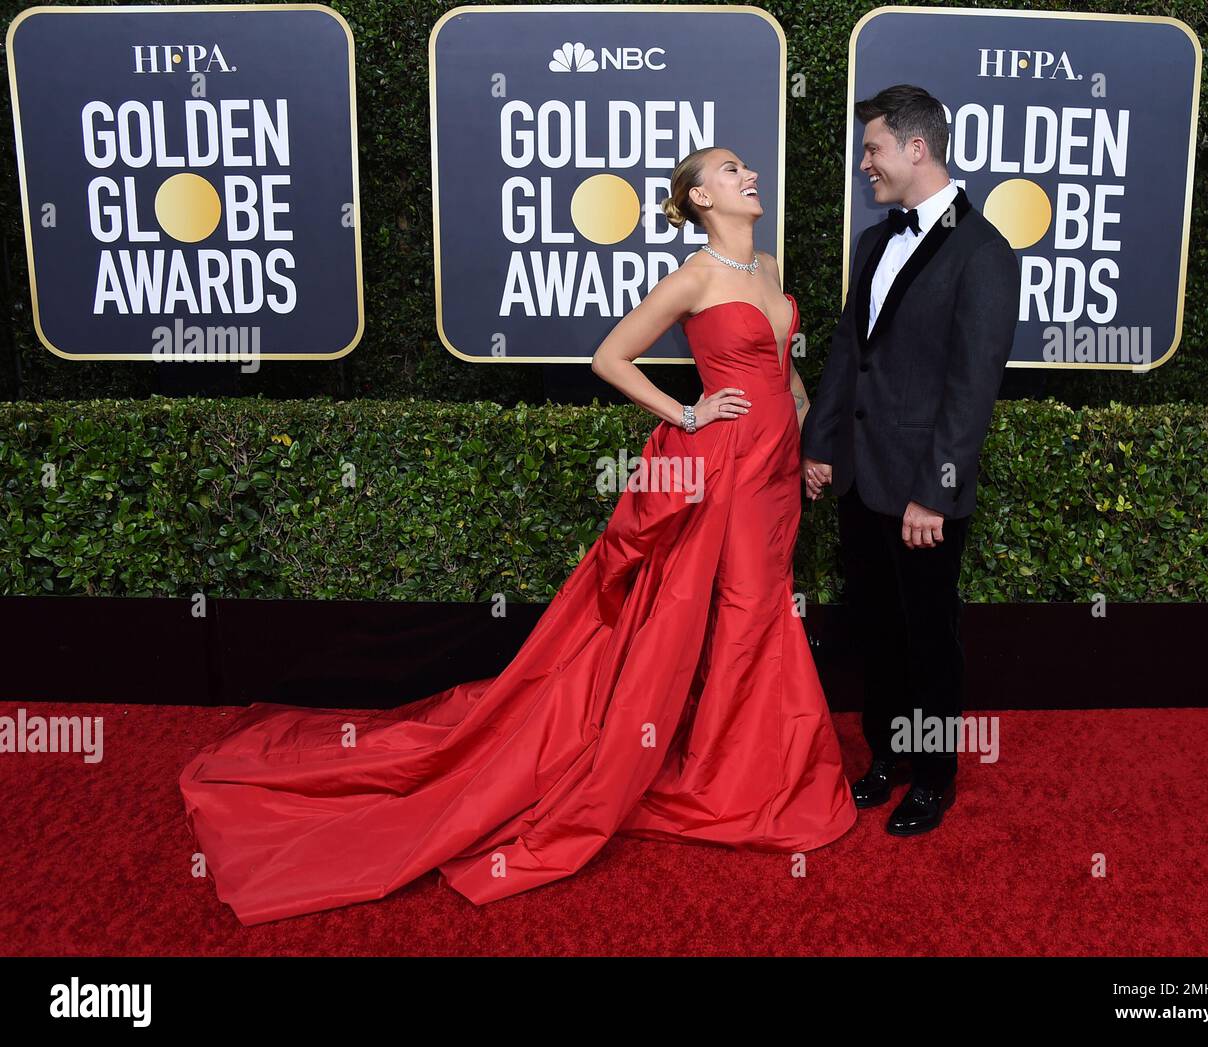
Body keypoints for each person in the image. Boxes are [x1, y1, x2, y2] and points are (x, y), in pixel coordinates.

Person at [179, 146, 856, 926]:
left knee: (760, 608)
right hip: (725, 469)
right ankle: (736, 776)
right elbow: (610, 357)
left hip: (777, 474)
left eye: (746, 168)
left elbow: (784, 363)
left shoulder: (767, 265)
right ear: (701, 196)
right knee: (736, 617)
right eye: (731, 170)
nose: (749, 176)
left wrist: (807, 434)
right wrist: (688, 414)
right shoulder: (693, 277)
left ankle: (741, 758)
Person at [801, 84, 1019, 836]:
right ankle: (888, 757)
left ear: (916, 149)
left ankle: (935, 776)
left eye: (873, 148)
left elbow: (972, 387)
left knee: (929, 637)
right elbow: (846, 354)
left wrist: (937, 491)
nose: (865, 163)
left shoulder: (984, 251)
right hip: (863, 478)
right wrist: (822, 445)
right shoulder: (873, 242)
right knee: (877, 630)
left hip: (924, 492)